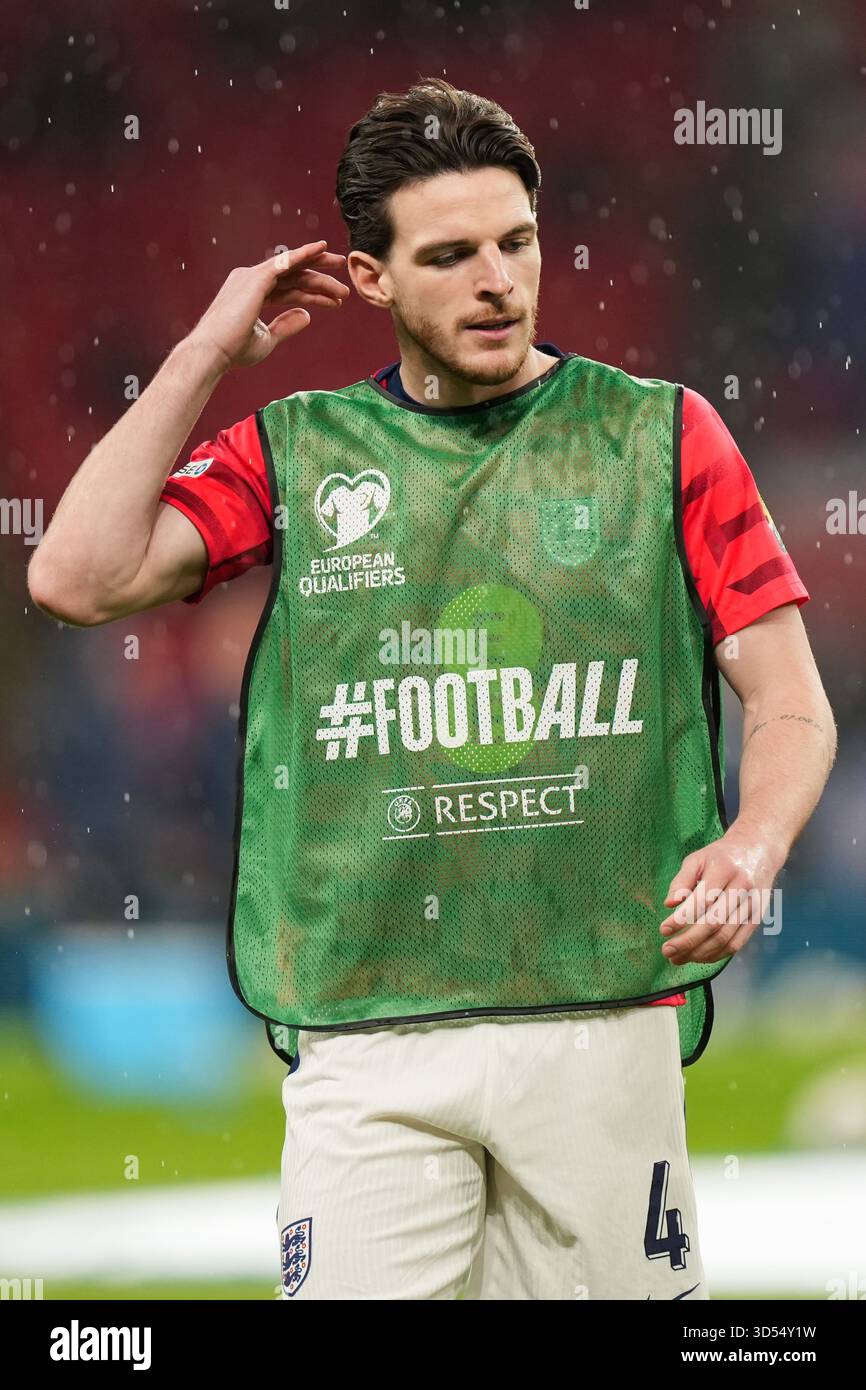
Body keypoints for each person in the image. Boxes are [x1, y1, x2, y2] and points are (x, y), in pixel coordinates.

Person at [28, 78, 836, 1300]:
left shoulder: (663, 437)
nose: (496, 281)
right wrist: (207, 351)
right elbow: (76, 576)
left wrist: (752, 845)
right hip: (367, 1034)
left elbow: (788, 700)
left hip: (598, 1013)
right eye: (450, 255)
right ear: (370, 280)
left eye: (515, 243)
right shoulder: (299, 455)